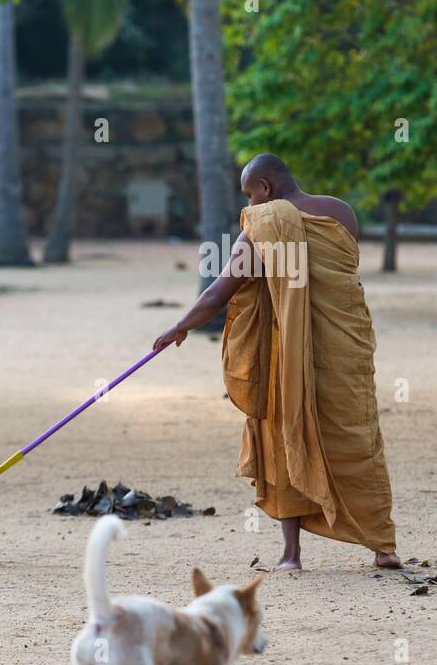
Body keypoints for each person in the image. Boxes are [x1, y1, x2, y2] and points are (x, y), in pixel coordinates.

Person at [153, 154, 399, 571]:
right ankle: (383, 547)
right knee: (358, 439)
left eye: (250, 195)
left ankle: (291, 555)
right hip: (347, 350)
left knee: (284, 436)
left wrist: (180, 326)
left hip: (290, 356)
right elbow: (338, 280)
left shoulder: (260, 229)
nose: (250, 206)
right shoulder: (342, 213)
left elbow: (219, 293)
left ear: (265, 188)